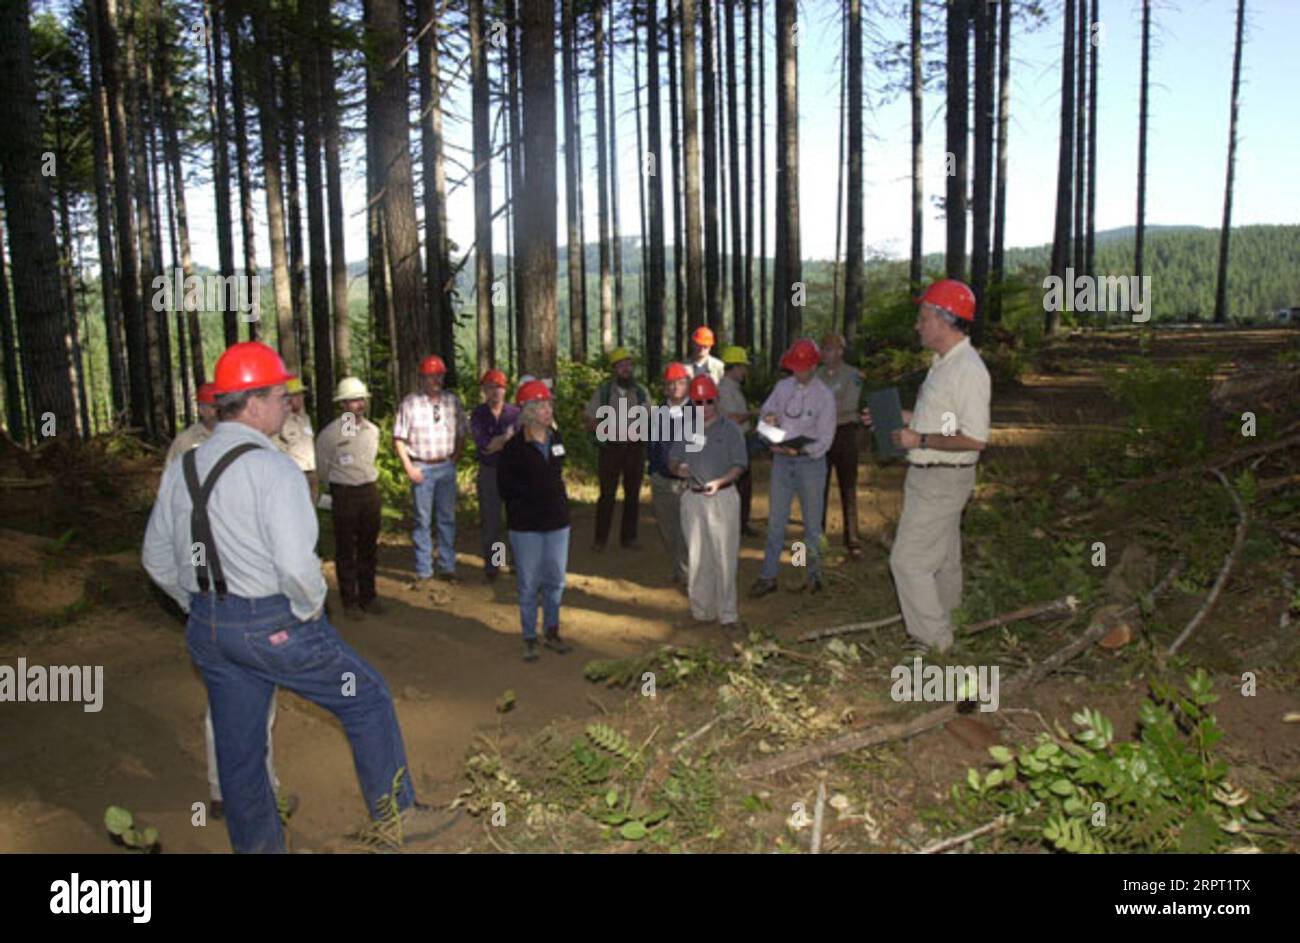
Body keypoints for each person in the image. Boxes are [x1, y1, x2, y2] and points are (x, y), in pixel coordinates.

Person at [142, 341, 444, 853]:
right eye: (281, 395)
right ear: (254, 402)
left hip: (210, 633)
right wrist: (307, 613)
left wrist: (200, 608)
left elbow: (155, 559)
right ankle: (398, 818)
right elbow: (297, 566)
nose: (288, 403)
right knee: (366, 698)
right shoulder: (273, 469)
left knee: (240, 757)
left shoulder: (183, 468)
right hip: (272, 624)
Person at [861, 279, 990, 654]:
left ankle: (933, 643)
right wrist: (901, 418)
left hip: (943, 478)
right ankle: (951, 623)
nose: (918, 325)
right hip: (931, 475)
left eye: (923, 317)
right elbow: (947, 421)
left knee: (907, 562)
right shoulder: (944, 364)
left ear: (944, 319)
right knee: (944, 561)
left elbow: (975, 437)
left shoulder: (968, 370)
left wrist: (920, 440)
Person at [750, 339, 837, 597]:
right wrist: (768, 423)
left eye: (801, 368)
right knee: (776, 521)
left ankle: (814, 575)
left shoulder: (824, 396)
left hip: (810, 464)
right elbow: (765, 415)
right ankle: (768, 576)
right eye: (794, 368)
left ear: (813, 366)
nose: (797, 372)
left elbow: (825, 440)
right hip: (781, 461)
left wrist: (799, 450)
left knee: (811, 523)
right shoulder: (782, 387)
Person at [497, 380, 574, 662]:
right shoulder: (514, 448)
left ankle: (552, 631)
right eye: (540, 405)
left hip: (557, 522)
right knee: (529, 583)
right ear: (527, 411)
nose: (547, 410)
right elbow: (505, 489)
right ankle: (530, 636)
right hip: (527, 525)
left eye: (549, 404)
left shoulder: (558, 439)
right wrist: (534, 496)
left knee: (556, 580)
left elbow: (558, 473)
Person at [669, 376, 748, 632]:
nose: (705, 407)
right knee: (697, 555)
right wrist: (678, 468)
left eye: (710, 401)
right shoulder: (686, 429)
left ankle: (728, 614)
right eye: (700, 402)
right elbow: (672, 459)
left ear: (717, 400)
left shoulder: (730, 430)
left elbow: (739, 465)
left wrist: (721, 481)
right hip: (692, 497)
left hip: (721, 498)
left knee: (724, 556)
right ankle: (701, 610)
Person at [393, 355, 467, 586]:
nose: (435, 380)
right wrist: (409, 467)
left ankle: (448, 566)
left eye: (439, 375)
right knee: (422, 521)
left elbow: (462, 432)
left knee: (447, 519)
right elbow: (398, 438)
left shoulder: (452, 402)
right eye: (430, 376)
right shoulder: (410, 403)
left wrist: (454, 459)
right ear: (422, 378)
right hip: (421, 467)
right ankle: (424, 570)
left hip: (445, 466)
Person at [316, 376, 383, 619]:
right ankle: (350, 600)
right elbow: (322, 467)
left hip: (369, 491)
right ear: (343, 404)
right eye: (353, 400)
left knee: (369, 547)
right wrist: (333, 486)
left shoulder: (372, 431)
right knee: (346, 549)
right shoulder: (330, 435)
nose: (358, 404)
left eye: (361, 399)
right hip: (343, 493)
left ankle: (369, 596)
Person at [584, 348, 650, 551]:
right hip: (610, 449)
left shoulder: (640, 392)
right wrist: (609, 431)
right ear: (614, 369)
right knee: (606, 495)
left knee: (632, 494)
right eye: (621, 365)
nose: (626, 369)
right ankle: (600, 540)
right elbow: (589, 420)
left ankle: (629, 538)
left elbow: (650, 420)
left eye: (629, 365)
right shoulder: (603, 392)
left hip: (634, 449)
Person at [470, 369, 521, 582]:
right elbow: (486, 446)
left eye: (498, 387)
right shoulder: (479, 414)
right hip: (490, 472)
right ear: (484, 390)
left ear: (505, 389)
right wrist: (507, 438)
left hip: (513, 472)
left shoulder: (515, 413)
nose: (495, 392)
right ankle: (495, 563)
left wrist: (500, 442)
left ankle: (516, 562)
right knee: (492, 521)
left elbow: (518, 444)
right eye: (490, 387)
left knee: (515, 519)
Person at [818, 333, 866, 558]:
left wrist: (822, 408)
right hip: (821, 436)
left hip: (845, 433)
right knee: (819, 488)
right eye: (823, 348)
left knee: (848, 487)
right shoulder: (815, 375)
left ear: (840, 351)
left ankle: (852, 539)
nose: (824, 353)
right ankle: (817, 536)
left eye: (829, 348)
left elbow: (849, 405)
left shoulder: (853, 375)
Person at [647, 363, 692, 588]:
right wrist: (654, 470)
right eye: (671, 383)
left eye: (680, 383)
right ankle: (678, 567)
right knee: (668, 528)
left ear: (688, 385)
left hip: (686, 483)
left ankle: (687, 573)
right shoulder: (657, 413)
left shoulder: (699, 411)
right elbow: (652, 444)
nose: (675, 387)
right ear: (665, 387)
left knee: (686, 530)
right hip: (661, 480)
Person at [717, 346, 760, 536]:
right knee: (738, 484)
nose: (745, 371)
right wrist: (754, 413)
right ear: (734, 367)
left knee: (744, 483)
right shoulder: (725, 390)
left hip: (740, 439)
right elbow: (732, 418)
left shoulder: (733, 388)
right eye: (743, 367)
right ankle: (736, 524)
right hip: (733, 442)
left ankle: (740, 523)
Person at [274, 377, 317, 504]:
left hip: (311, 472)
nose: (300, 399)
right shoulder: (279, 421)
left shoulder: (305, 419)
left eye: (301, 395)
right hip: (294, 473)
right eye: (295, 395)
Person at [166, 382, 220, 466]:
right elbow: (171, 475)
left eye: (222, 407)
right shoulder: (186, 441)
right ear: (201, 410)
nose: (218, 411)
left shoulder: (237, 436)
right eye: (214, 407)